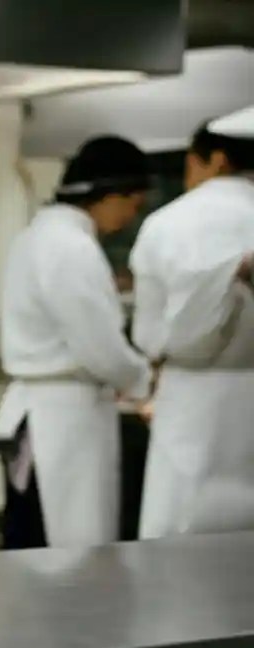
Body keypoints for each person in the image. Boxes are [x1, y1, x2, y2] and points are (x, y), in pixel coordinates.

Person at [0, 136, 154, 549]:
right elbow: (99, 345)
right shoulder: (71, 246)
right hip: (62, 420)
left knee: (32, 542)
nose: (130, 218)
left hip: (37, 411)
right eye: (132, 205)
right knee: (65, 551)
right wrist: (144, 383)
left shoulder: (35, 236)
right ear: (110, 194)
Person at [130, 105, 254, 538]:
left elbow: (147, 336)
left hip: (190, 405)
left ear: (216, 160)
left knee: (180, 544)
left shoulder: (165, 224)